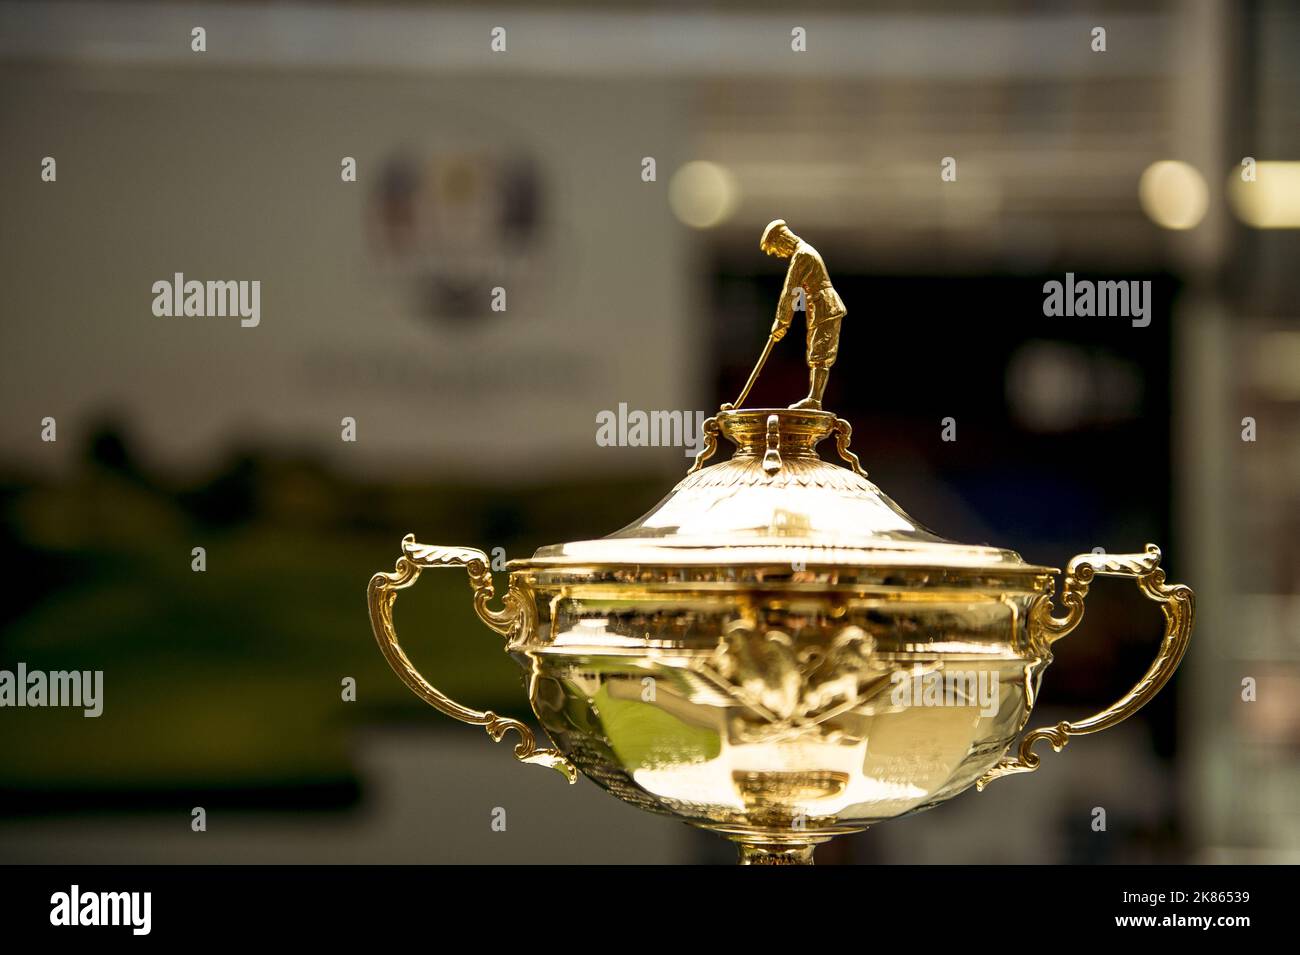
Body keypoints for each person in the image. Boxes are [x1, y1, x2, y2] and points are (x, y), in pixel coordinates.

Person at [760, 219, 847, 410]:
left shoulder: (803, 255)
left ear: (783, 239)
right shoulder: (802, 254)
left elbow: (791, 290)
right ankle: (814, 398)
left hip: (826, 307)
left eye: (776, 249)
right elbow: (797, 294)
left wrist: (781, 322)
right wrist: (787, 319)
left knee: (820, 353)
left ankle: (815, 400)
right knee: (816, 352)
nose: (779, 254)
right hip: (818, 307)